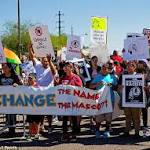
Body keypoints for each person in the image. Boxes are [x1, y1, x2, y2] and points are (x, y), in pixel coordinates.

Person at [28, 43, 57, 134]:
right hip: (39, 92)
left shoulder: (51, 67)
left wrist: (50, 61)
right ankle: (41, 126)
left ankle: (50, 126)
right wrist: (29, 48)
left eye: (47, 61)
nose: (46, 62)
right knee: (40, 111)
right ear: (41, 61)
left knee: (49, 112)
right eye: (44, 61)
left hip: (49, 92)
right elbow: (32, 57)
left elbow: (54, 72)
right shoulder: (38, 65)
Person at [89, 63, 117, 138]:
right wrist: (98, 84)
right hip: (100, 100)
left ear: (109, 70)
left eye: (105, 68)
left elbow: (116, 87)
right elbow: (90, 86)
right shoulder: (98, 77)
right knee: (98, 117)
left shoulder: (112, 77)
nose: (104, 70)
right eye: (103, 68)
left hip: (110, 100)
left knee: (109, 117)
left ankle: (107, 130)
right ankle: (97, 130)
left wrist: (111, 85)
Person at [59, 62, 83, 141]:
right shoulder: (63, 77)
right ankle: (65, 134)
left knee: (74, 118)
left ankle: (73, 134)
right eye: (65, 67)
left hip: (74, 101)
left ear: (71, 68)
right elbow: (59, 88)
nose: (65, 68)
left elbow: (80, 88)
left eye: (67, 67)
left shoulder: (76, 77)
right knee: (65, 119)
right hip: (65, 102)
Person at [118, 61, 141, 137]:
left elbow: (142, 88)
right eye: (127, 66)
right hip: (126, 100)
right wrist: (121, 88)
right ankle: (127, 131)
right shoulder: (123, 76)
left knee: (136, 117)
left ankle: (137, 133)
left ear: (134, 67)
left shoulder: (139, 76)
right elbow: (118, 88)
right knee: (127, 116)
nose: (128, 68)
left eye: (130, 66)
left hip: (136, 100)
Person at [0, 63, 22, 137]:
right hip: (3, 99)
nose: (3, 68)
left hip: (13, 99)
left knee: (12, 114)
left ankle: (12, 131)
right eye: (3, 67)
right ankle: (9, 128)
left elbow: (21, 85)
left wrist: (17, 84)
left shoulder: (14, 76)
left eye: (5, 67)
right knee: (7, 114)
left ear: (9, 68)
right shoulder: (1, 76)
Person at [26, 73, 43, 140]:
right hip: (29, 106)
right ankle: (30, 134)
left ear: (35, 79)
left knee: (37, 121)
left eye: (31, 78)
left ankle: (37, 134)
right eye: (29, 78)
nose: (29, 80)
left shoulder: (38, 86)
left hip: (37, 107)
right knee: (30, 121)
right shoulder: (26, 86)